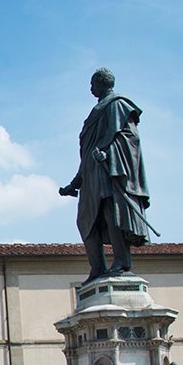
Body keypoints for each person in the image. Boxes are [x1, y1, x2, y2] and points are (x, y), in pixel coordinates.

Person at [58, 68, 150, 284]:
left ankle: (122, 262)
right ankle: (97, 268)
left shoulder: (118, 105)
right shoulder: (97, 110)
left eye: (92, 84)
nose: (91, 88)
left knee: (112, 216)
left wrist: (107, 153)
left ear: (102, 83)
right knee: (85, 222)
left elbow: (130, 139)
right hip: (91, 178)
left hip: (109, 174)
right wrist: (74, 184)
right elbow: (88, 156)